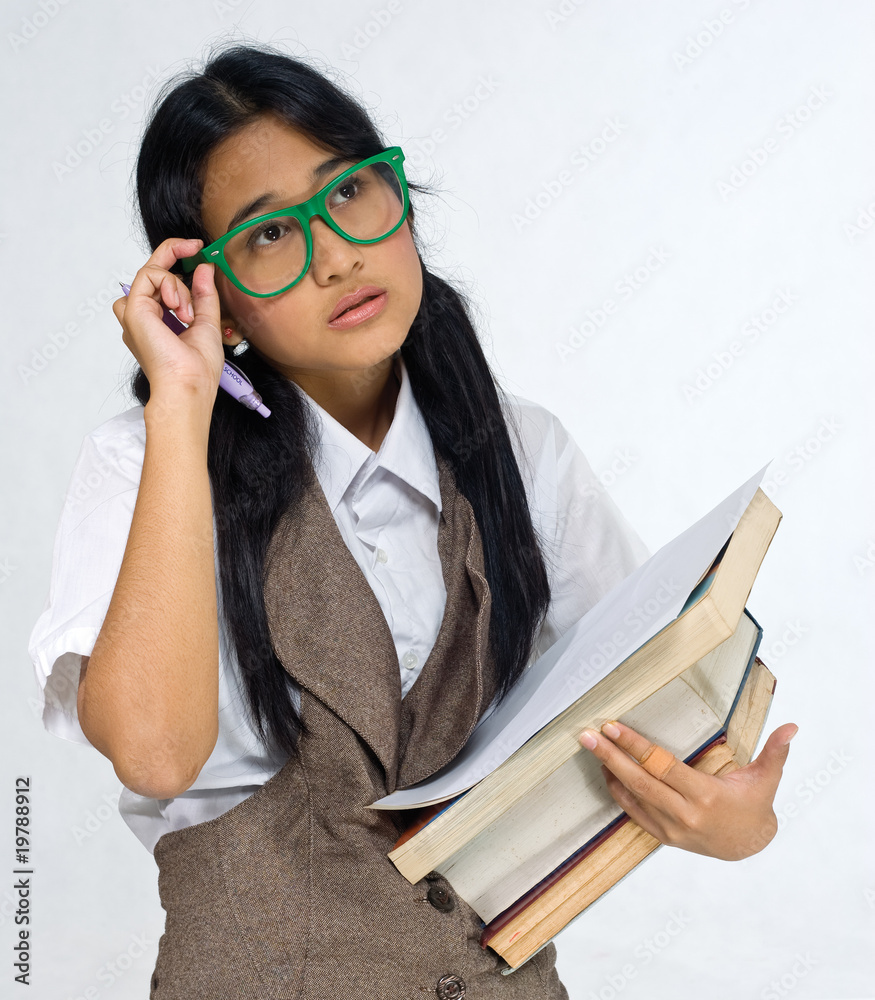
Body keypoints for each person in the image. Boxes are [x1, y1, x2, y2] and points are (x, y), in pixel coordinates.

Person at [28, 41, 797, 999]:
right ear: (207, 292)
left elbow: (653, 696)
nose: (336, 251)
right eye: (270, 235)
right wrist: (182, 403)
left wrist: (733, 821)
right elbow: (152, 751)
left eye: (349, 191)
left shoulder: (523, 449)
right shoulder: (145, 460)